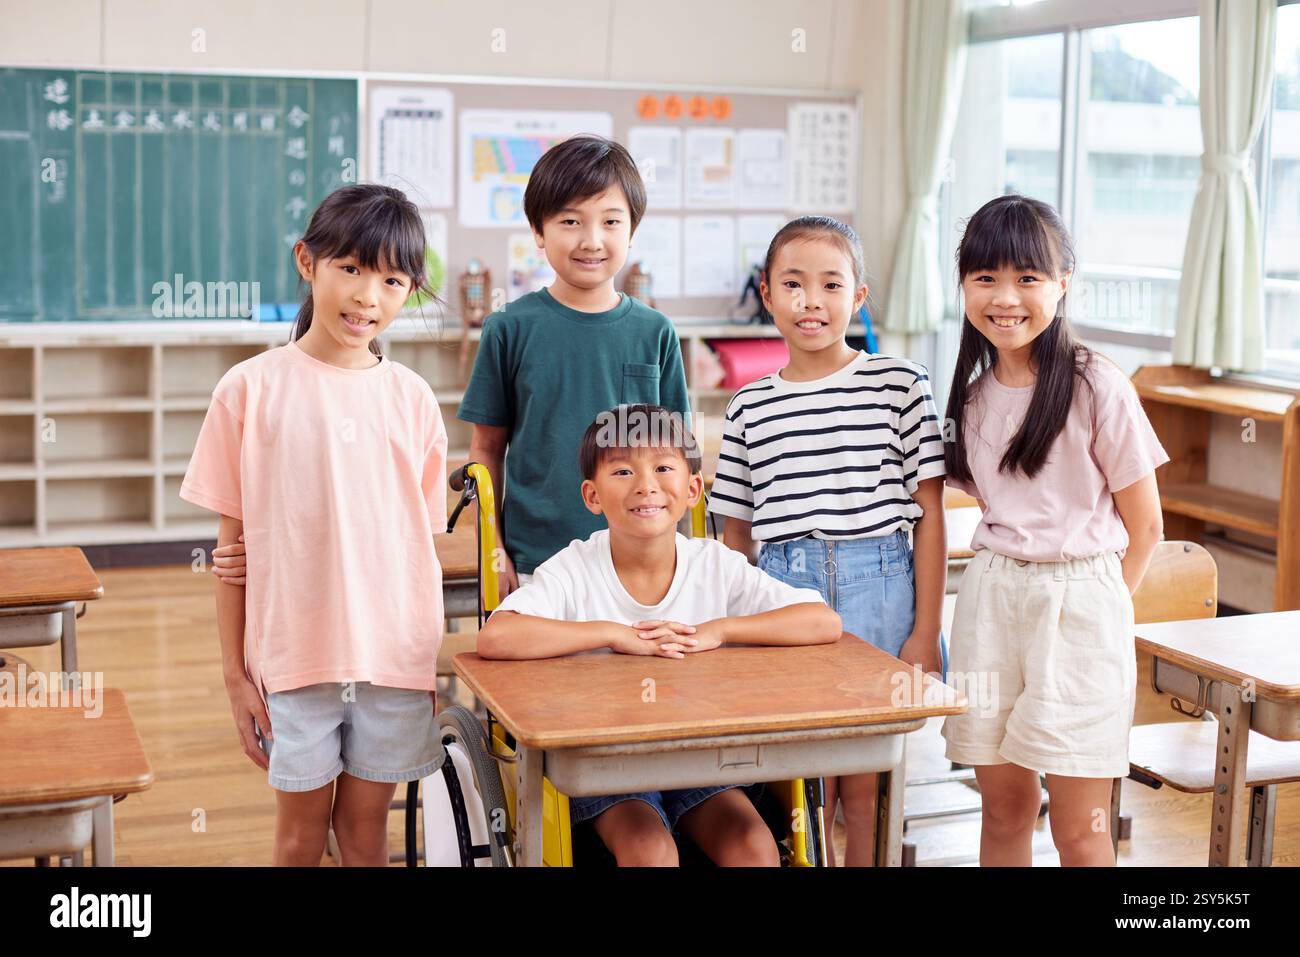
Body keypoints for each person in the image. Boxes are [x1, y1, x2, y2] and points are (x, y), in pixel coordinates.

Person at [180, 184, 449, 866]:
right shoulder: (249, 389)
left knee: (366, 837)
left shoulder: (413, 399)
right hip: (293, 663)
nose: (367, 297)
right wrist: (234, 676)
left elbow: (419, 547)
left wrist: (428, 661)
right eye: (351, 269)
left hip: (390, 660)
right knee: (300, 837)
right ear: (308, 262)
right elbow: (230, 554)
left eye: (392, 280)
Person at [477, 404, 842, 866]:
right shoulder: (575, 568)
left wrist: (721, 629)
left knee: (754, 848)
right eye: (624, 470)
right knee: (650, 850)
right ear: (592, 495)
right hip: (608, 764)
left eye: (663, 467)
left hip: (701, 759)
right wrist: (612, 634)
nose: (645, 485)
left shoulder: (715, 565)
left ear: (692, 489)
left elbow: (822, 621)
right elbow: (497, 637)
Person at [710, 215, 948, 866]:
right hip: (784, 588)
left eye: (830, 284)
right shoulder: (748, 405)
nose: (810, 300)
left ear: (859, 297)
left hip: (882, 583)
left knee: (868, 775)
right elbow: (736, 537)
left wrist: (926, 630)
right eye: (792, 283)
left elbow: (929, 515)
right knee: (804, 775)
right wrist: (731, 633)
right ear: (766, 291)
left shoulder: (901, 383)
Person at [939, 193, 1167, 866]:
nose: (1005, 297)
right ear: (963, 285)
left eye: (1027, 278)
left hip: (1081, 607)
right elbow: (992, 506)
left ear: (1064, 283)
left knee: (1081, 829)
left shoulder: (1098, 385)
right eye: (985, 278)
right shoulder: (972, 399)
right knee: (1004, 811)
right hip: (990, 603)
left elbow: (1146, 525)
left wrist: (1098, 604)